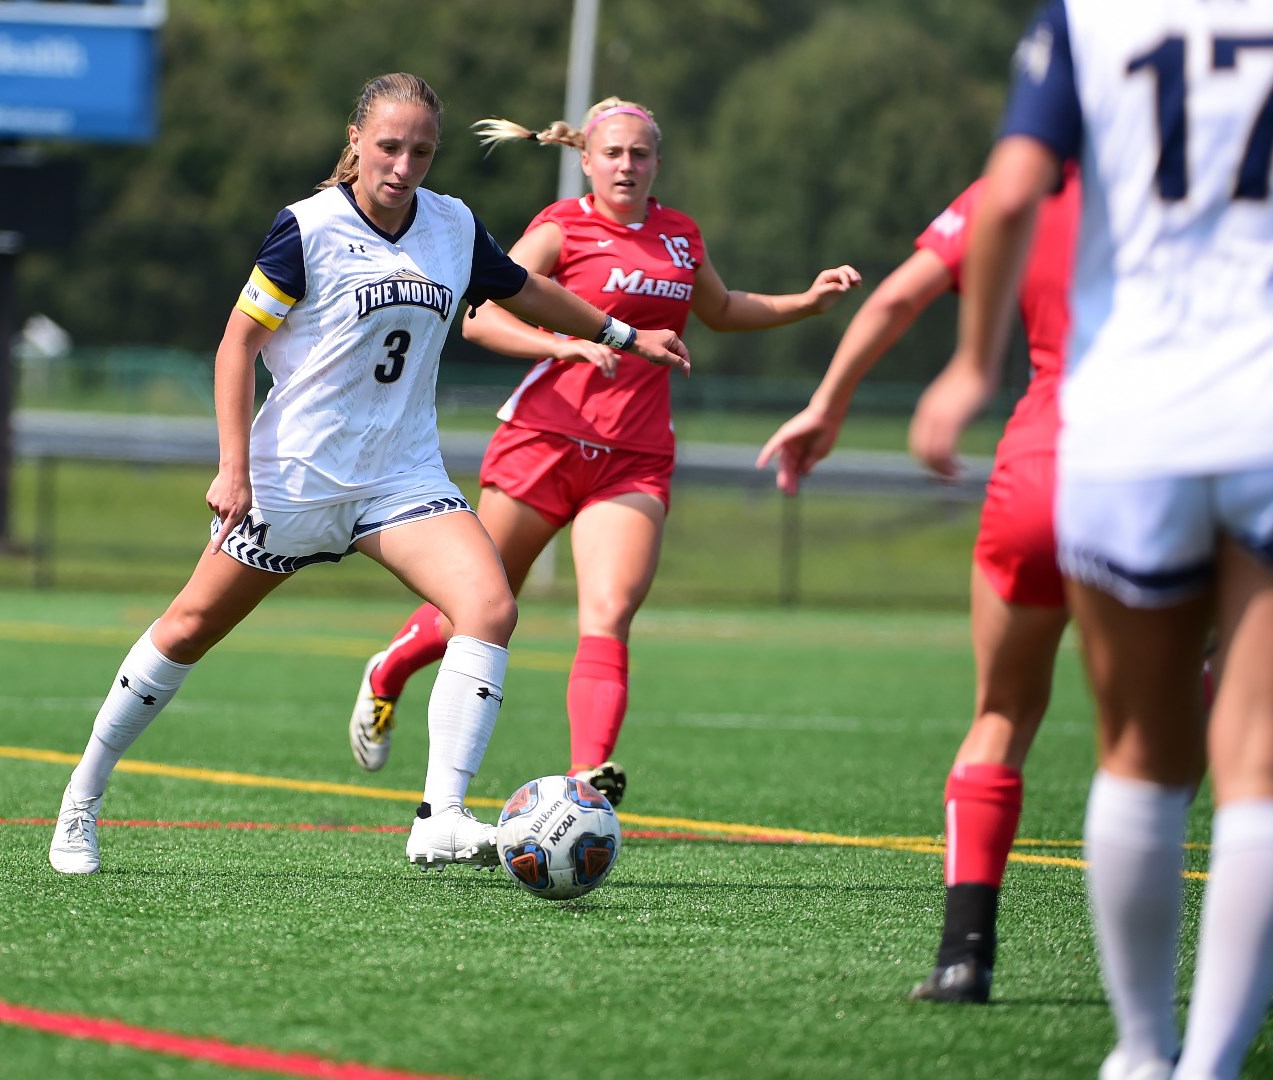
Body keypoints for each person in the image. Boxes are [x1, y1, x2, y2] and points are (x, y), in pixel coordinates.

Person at [47, 73, 690, 875]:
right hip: (297, 478)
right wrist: (232, 469)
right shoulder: (307, 228)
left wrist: (623, 336)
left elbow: (528, 291)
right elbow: (236, 345)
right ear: (355, 141)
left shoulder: (452, 224)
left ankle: (440, 818)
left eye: (421, 151)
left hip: (400, 477)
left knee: (489, 607)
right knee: (186, 629)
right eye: (388, 146)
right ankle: (81, 798)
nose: (403, 165)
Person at [908, 3, 1273, 1077]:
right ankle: (1210, 1064)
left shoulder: (1088, 16)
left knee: (1138, 754)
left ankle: (1142, 1051)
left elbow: (1013, 188)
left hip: (1131, 420)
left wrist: (972, 366)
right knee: (1254, 763)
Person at [346, 97, 859, 806]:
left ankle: (586, 779)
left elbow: (719, 310)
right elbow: (480, 319)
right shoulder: (561, 227)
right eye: (612, 153)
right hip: (543, 442)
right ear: (584, 159)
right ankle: (390, 671)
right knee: (477, 603)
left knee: (609, 611)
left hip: (634, 456)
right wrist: (564, 345)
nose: (626, 165)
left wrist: (806, 302)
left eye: (639, 154)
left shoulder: (680, 235)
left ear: (657, 163)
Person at [758, 167, 1079, 1005]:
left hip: (1043, 461)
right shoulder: (1219, 173)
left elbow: (898, 297)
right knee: (1173, 738)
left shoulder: (1019, 181)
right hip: (1169, 467)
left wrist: (828, 404)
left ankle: (963, 957)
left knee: (999, 716)